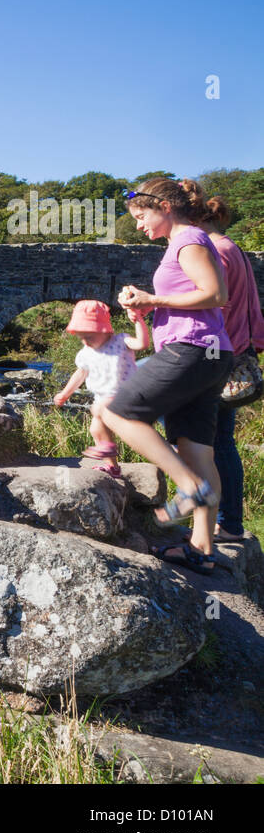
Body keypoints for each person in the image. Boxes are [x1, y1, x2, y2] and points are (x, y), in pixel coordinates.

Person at [101, 177, 232, 575]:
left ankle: (189, 488)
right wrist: (144, 309)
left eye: (142, 216)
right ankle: (201, 550)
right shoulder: (187, 240)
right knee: (198, 452)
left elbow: (215, 294)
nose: (140, 225)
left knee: (117, 411)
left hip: (192, 350)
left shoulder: (187, 239)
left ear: (164, 207)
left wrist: (154, 298)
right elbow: (199, 298)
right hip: (212, 353)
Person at [200, 186, 264, 541]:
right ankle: (228, 523)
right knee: (220, 441)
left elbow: (216, 304)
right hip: (233, 350)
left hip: (220, 353)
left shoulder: (217, 250)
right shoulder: (230, 246)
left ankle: (223, 519)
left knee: (216, 441)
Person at [52, 299, 147, 477]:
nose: (86, 342)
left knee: (98, 411)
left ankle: (112, 449)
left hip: (127, 393)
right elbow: (80, 374)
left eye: (89, 337)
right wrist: (65, 394)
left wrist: (138, 321)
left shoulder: (121, 341)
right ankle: (113, 467)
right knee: (96, 430)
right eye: (81, 339)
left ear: (105, 330)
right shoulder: (86, 353)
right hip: (103, 399)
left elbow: (142, 344)